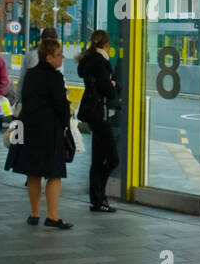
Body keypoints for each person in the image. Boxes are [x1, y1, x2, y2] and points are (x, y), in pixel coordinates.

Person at [13, 37, 73, 229]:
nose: (62, 58)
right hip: (50, 130)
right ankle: (53, 215)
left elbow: (24, 96)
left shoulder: (31, 74)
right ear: (49, 58)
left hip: (30, 127)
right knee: (54, 174)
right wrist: (65, 123)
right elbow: (61, 106)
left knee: (33, 172)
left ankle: (34, 213)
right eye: (58, 55)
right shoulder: (55, 77)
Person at [77, 30, 120, 213]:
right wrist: (113, 85)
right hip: (100, 114)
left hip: (92, 113)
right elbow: (107, 90)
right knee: (112, 158)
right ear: (106, 44)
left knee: (97, 159)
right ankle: (99, 195)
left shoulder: (88, 59)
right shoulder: (100, 62)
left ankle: (97, 199)